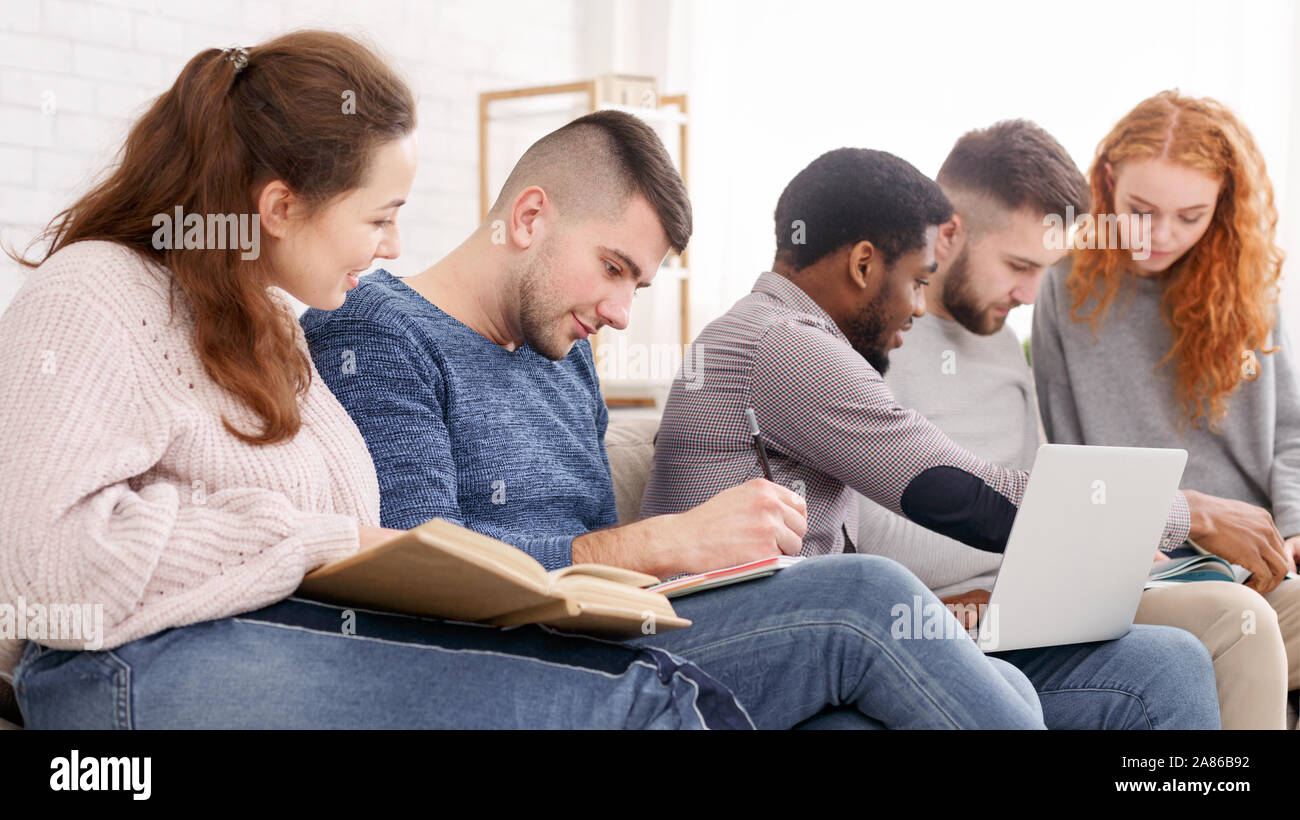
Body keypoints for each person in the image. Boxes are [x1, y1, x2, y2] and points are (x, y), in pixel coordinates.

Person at [0, 31, 755, 730]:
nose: (393, 245)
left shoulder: (267, 325)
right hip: (122, 670)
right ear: (281, 207)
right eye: (379, 217)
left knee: (664, 685)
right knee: (636, 705)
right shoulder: (90, 294)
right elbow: (47, 566)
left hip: (265, 639)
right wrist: (313, 540)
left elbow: (346, 543)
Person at [301, 110, 1050, 729]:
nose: (624, 313)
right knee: (868, 597)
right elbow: (417, 572)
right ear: (529, 217)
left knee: (979, 695)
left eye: (640, 283)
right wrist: (669, 541)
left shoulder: (562, 351)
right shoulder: (378, 331)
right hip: (519, 670)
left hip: (625, 634)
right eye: (614, 267)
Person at [642, 145, 1223, 729]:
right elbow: (961, 496)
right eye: (918, 280)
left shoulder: (808, 341)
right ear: (864, 264)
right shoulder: (781, 344)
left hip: (814, 643)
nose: (920, 306)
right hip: (725, 645)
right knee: (875, 593)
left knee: (1164, 667)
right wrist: (1180, 513)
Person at [853, 118, 1296, 728]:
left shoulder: (1000, 337)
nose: (1034, 295)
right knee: (1230, 622)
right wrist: (991, 587)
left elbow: (1045, 483)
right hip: (995, 608)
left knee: (1247, 608)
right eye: (1018, 264)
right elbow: (876, 528)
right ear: (950, 231)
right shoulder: (874, 338)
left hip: (1053, 591)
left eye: (1043, 269)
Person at [1032, 90, 1300, 725]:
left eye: (1191, 215)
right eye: (1141, 211)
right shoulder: (1064, 287)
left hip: (1259, 557)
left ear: (1223, 206)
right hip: (1151, 569)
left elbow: (1290, 431)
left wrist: (1293, 527)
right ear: (1107, 184)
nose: (1160, 236)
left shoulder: (1248, 286)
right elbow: (1070, 461)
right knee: (1243, 627)